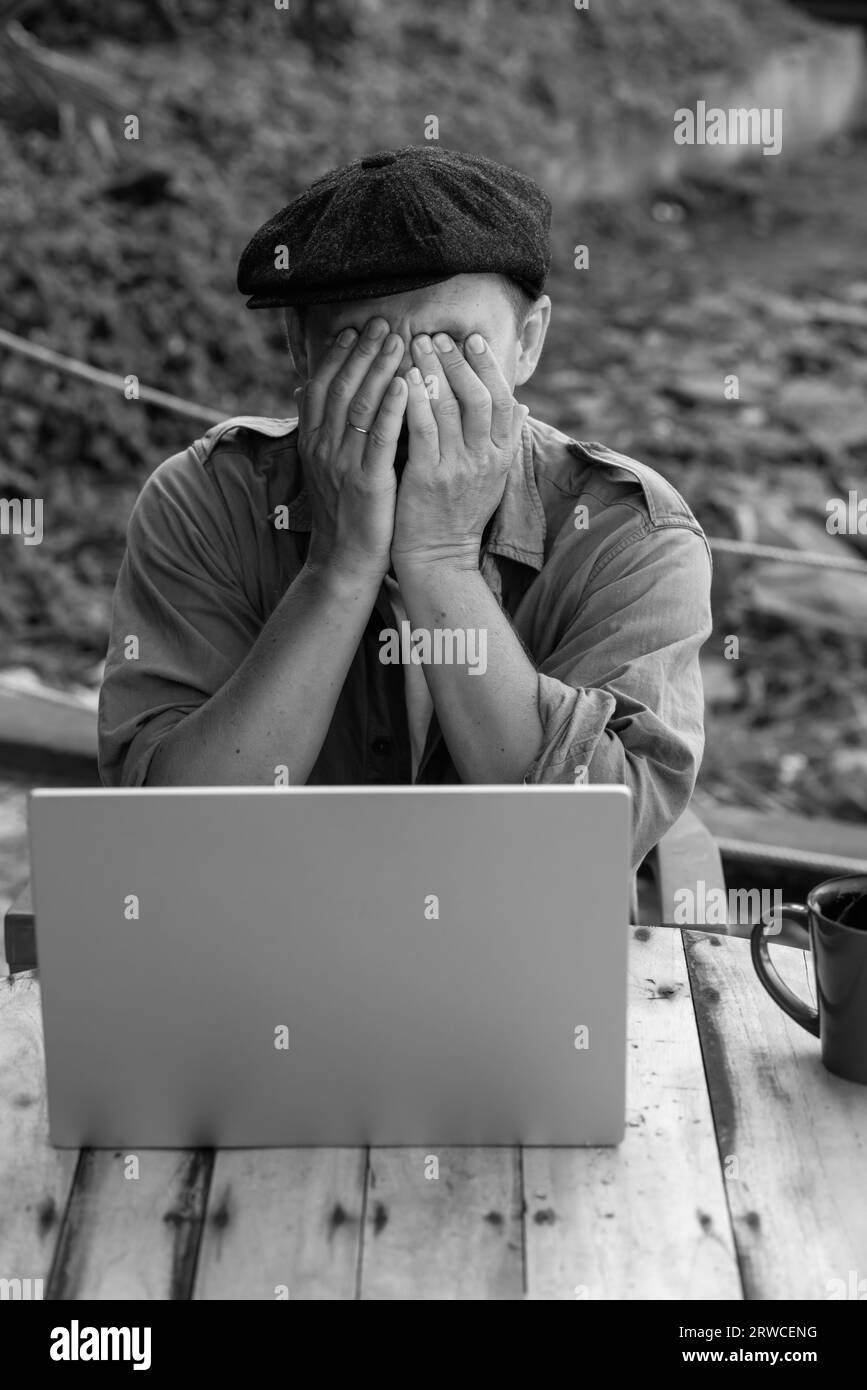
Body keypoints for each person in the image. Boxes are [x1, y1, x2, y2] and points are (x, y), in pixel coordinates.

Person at [98, 145, 712, 873]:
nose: (414, 390)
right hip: (261, 937)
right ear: (302, 349)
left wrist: (441, 564)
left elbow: (590, 843)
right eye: (365, 349)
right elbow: (169, 838)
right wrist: (337, 568)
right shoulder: (207, 500)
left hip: (518, 954)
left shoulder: (628, 531)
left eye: (454, 349)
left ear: (529, 342)